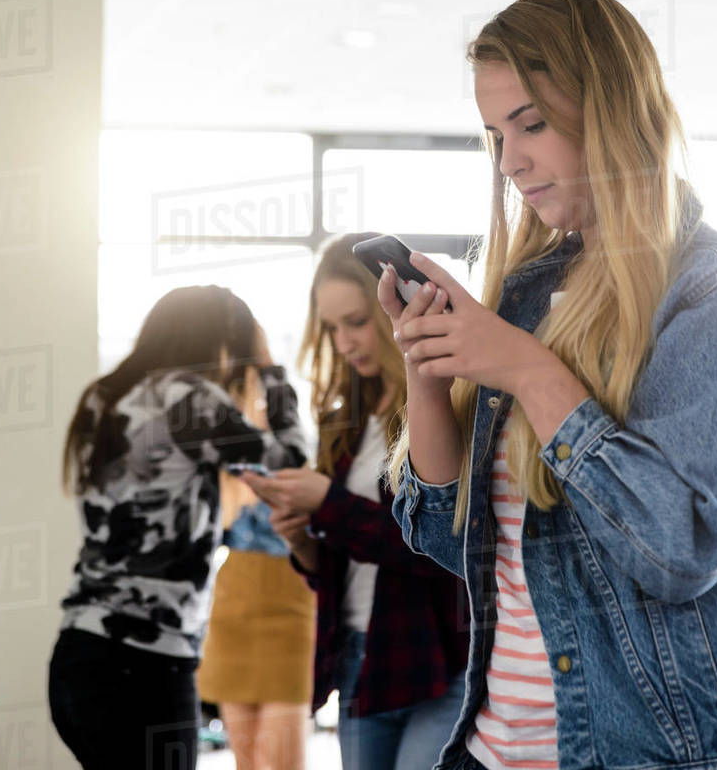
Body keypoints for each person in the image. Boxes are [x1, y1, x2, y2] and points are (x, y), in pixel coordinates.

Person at [383, 0, 717, 770]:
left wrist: (526, 371)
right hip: (489, 751)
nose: (510, 161)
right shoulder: (524, 290)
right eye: (493, 135)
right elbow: (454, 541)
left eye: (532, 124)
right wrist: (426, 368)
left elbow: (677, 552)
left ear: (613, 109)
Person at [49, 285, 306, 770]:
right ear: (224, 343)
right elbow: (289, 463)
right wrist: (269, 368)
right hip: (143, 665)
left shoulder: (103, 397)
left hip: (78, 655)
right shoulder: (190, 397)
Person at [243, 233, 470, 770]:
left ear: (392, 304)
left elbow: (444, 548)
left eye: (356, 321)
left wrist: (328, 503)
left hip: (437, 662)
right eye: (331, 327)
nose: (343, 341)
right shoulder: (343, 420)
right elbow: (338, 566)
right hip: (360, 663)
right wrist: (302, 540)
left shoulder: (448, 404)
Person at [197, 361, 315, 770]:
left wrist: (268, 367)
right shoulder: (225, 460)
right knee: (246, 762)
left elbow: (294, 459)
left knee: (281, 763)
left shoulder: (294, 449)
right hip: (232, 612)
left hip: (291, 607)